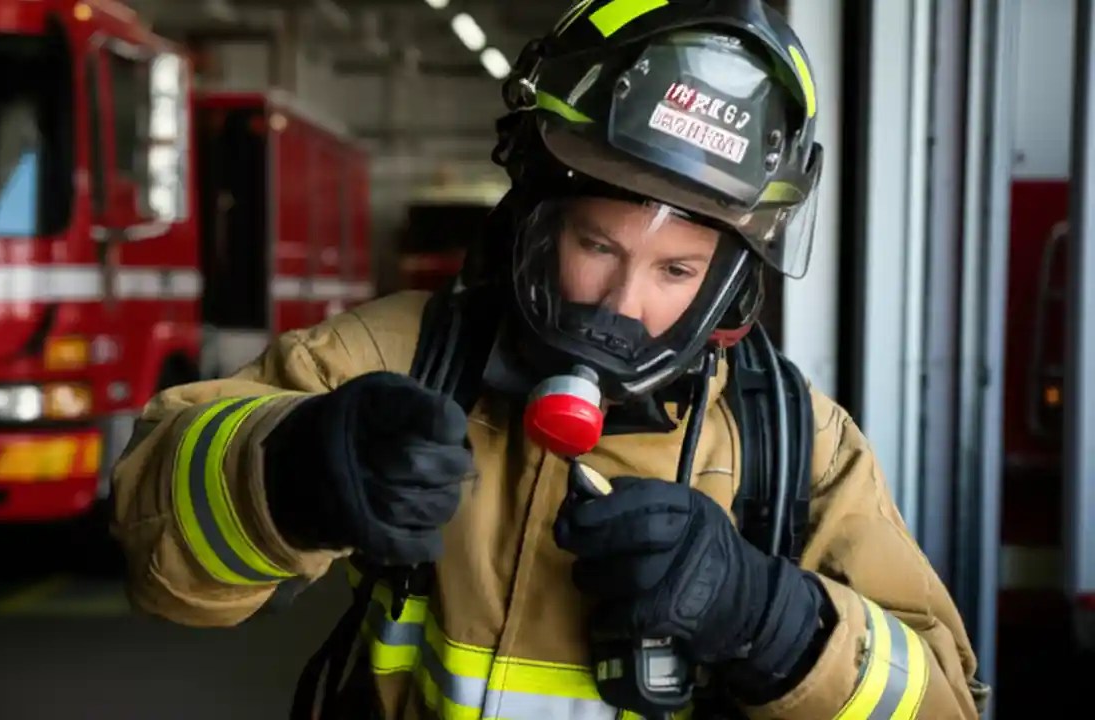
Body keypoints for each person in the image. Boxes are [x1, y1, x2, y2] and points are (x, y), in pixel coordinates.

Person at [109, 1, 988, 717]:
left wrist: (766, 617)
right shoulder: (401, 357)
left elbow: (946, 699)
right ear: (534, 214)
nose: (622, 305)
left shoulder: (796, 443)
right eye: (596, 244)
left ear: (730, 278)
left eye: (676, 269)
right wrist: (289, 474)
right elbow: (160, 554)